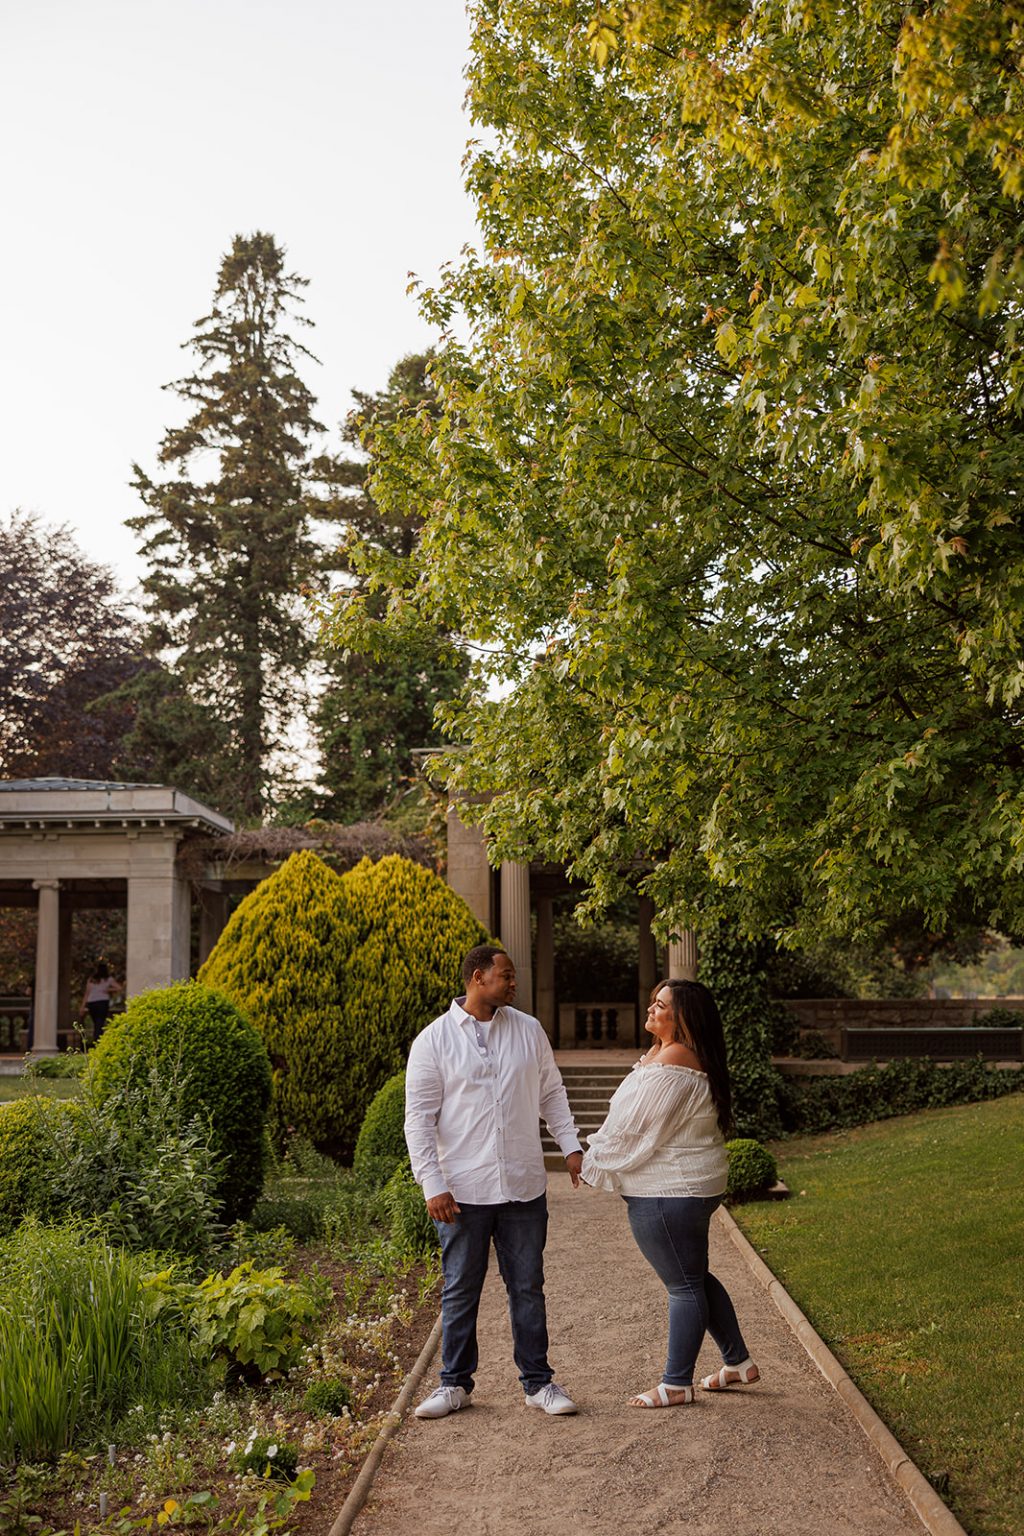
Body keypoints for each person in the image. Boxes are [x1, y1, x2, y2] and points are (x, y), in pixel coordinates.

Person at [405, 943, 584, 1419]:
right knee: (460, 1289)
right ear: (478, 977)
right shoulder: (433, 1041)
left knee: (528, 1286)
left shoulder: (529, 1030)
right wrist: (431, 1183)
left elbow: (551, 1093)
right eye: (505, 976)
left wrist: (570, 1146)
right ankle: (454, 1385)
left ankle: (538, 1383)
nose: (513, 983)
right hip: (462, 1190)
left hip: (523, 1185)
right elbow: (419, 1120)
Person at [581, 977, 760, 1408]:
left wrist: (593, 1161)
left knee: (683, 1286)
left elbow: (636, 1125)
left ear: (683, 1019)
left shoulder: (676, 1058)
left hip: (669, 1190)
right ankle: (738, 1362)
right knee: (694, 1276)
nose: (651, 1009)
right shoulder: (673, 1054)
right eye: (653, 1002)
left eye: (661, 1006)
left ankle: (676, 1384)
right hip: (687, 1187)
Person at [79, 960, 123, 1045]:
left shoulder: (91, 980)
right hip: (102, 1003)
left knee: (96, 1023)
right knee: (99, 1023)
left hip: (92, 1003)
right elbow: (119, 988)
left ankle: (97, 1041)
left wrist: (82, 1006)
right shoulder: (108, 979)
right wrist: (108, 990)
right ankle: (98, 1041)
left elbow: (87, 994)